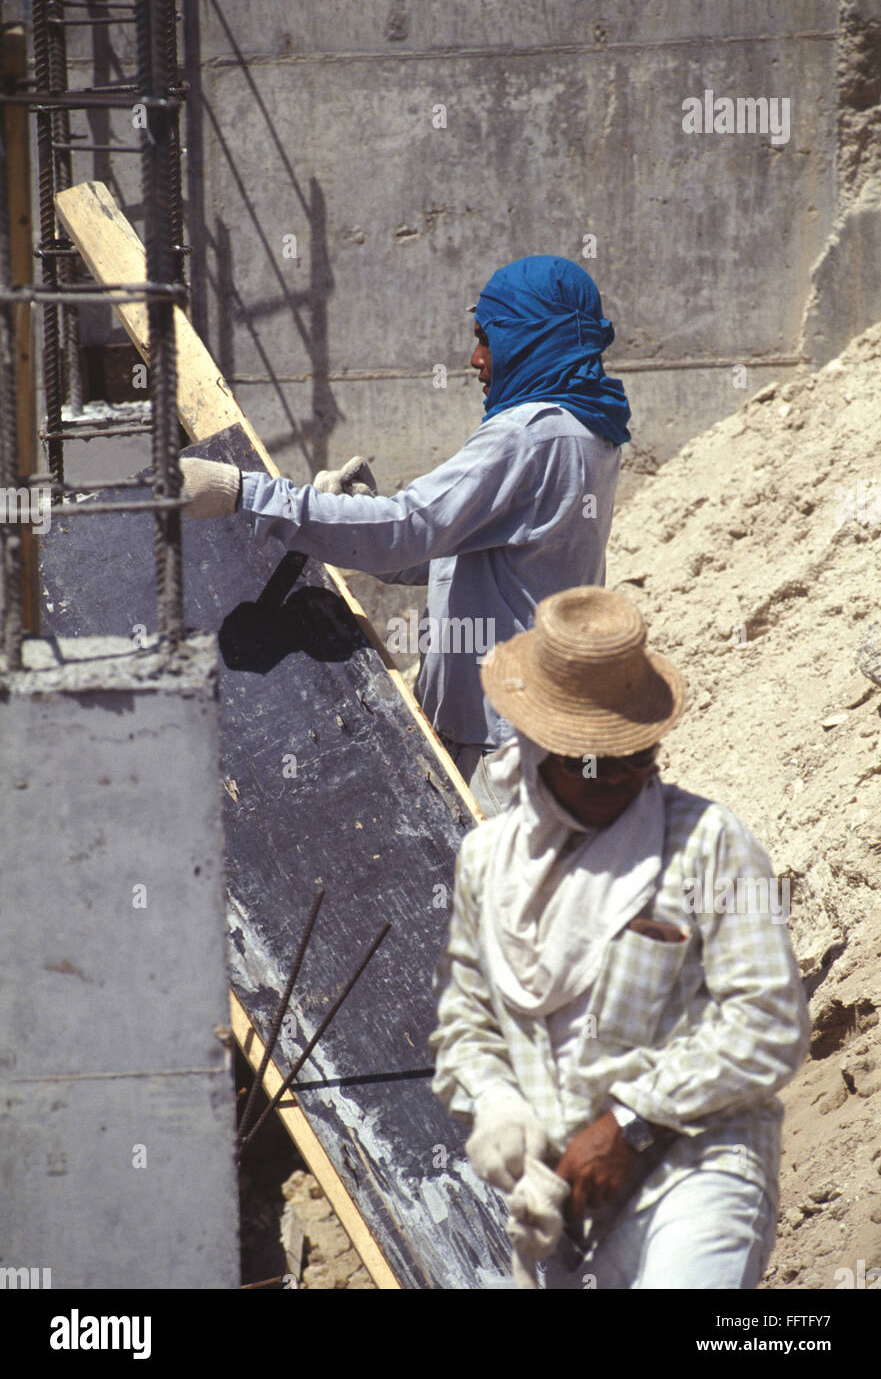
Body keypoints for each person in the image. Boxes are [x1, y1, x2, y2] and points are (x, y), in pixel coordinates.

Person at [430, 586, 810, 1289]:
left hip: (697, 1166)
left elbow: (767, 1024)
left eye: (637, 754)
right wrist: (495, 1103)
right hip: (562, 1207)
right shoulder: (487, 863)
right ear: (539, 748)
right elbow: (466, 1021)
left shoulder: (706, 844)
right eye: (590, 761)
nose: (620, 776)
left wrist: (632, 1123)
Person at [179, 256, 630, 815]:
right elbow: (453, 552)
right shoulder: (589, 431)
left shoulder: (528, 436)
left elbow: (408, 531)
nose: (476, 360)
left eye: (488, 340)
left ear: (531, 337)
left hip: (507, 752)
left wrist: (242, 492)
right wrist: (356, 512)